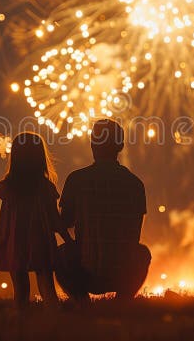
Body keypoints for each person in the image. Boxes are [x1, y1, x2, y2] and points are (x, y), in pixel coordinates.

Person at [56, 119, 151, 301]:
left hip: (84, 269)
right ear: (121, 145)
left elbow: (64, 223)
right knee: (142, 252)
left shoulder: (76, 180)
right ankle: (122, 300)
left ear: (92, 144)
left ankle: (81, 301)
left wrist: (79, 246)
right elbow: (135, 231)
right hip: (123, 269)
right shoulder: (134, 183)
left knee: (61, 253)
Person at [0, 132, 71, 309]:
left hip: (15, 242)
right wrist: (68, 239)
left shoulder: (9, 187)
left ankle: (20, 322)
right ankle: (54, 320)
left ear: (15, 158)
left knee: (20, 291)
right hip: (40, 240)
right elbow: (54, 218)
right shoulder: (45, 187)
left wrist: (8, 179)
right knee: (47, 286)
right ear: (40, 157)